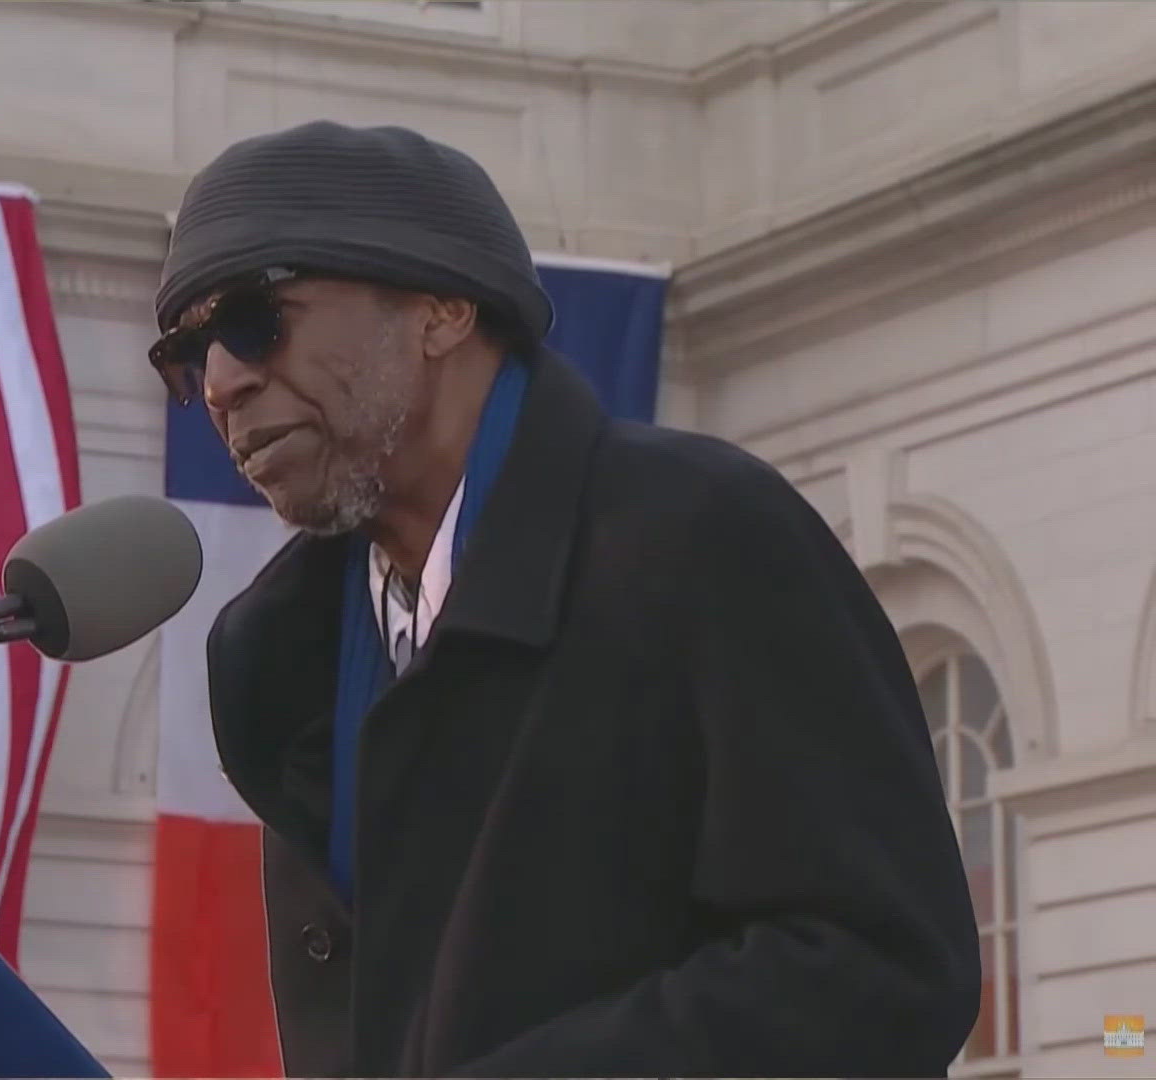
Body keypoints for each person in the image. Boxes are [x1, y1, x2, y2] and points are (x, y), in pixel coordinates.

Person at [149, 120, 982, 1076]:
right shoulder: (281, 658)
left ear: (441, 310)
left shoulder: (701, 536)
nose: (221, 382)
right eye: (189, 351)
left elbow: (882, 966)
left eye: (255, 318)